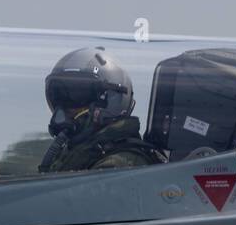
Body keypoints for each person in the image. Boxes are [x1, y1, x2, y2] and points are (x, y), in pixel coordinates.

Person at [37, 47, 167, 174]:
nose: (66, 110)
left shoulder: (120, 165)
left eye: (77, 97)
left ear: (112, 100)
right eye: (59, 97)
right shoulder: (77, 153)